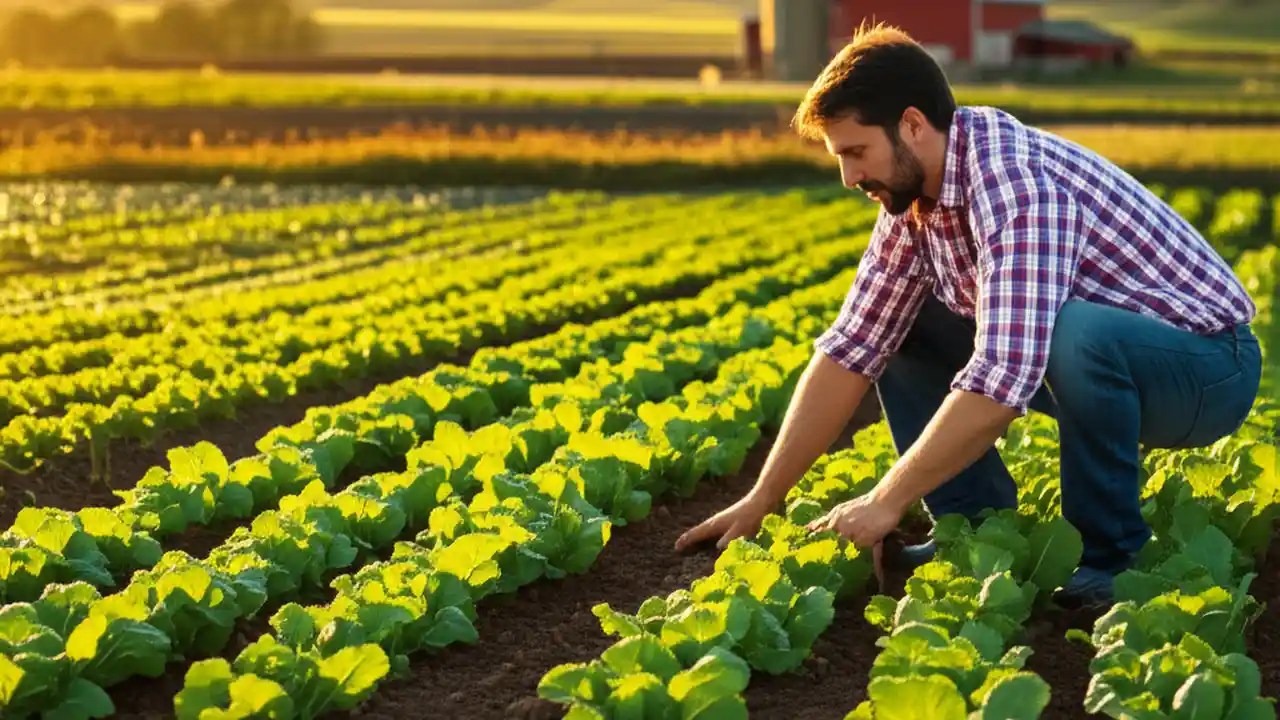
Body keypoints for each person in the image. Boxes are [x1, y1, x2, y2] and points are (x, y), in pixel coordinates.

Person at [673, 23, 1262, 608]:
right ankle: (973, 533)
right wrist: (762, 499)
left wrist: (885, 499)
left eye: (856, 152)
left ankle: (1110, 558)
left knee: (1077, 332)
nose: (849, 177)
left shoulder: (1016, 186)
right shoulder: (912, 201)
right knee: (900, 326)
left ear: (912, 126)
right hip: (1101, 369)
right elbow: (850, 348)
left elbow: (1004, 379)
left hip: (1207, 371)